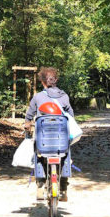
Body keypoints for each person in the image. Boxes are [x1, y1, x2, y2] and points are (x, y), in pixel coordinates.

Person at [23, 67, 73, 201]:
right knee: (66, 154)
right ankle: (63, 188)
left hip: (43, 138)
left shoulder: (38, 96)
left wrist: (27, 123)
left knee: (38, 154)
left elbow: (29, 114)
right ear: (56, 80)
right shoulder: (64, 97)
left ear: (43, 82)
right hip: (60, 139)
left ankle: (40, 186)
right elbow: (71, 116)